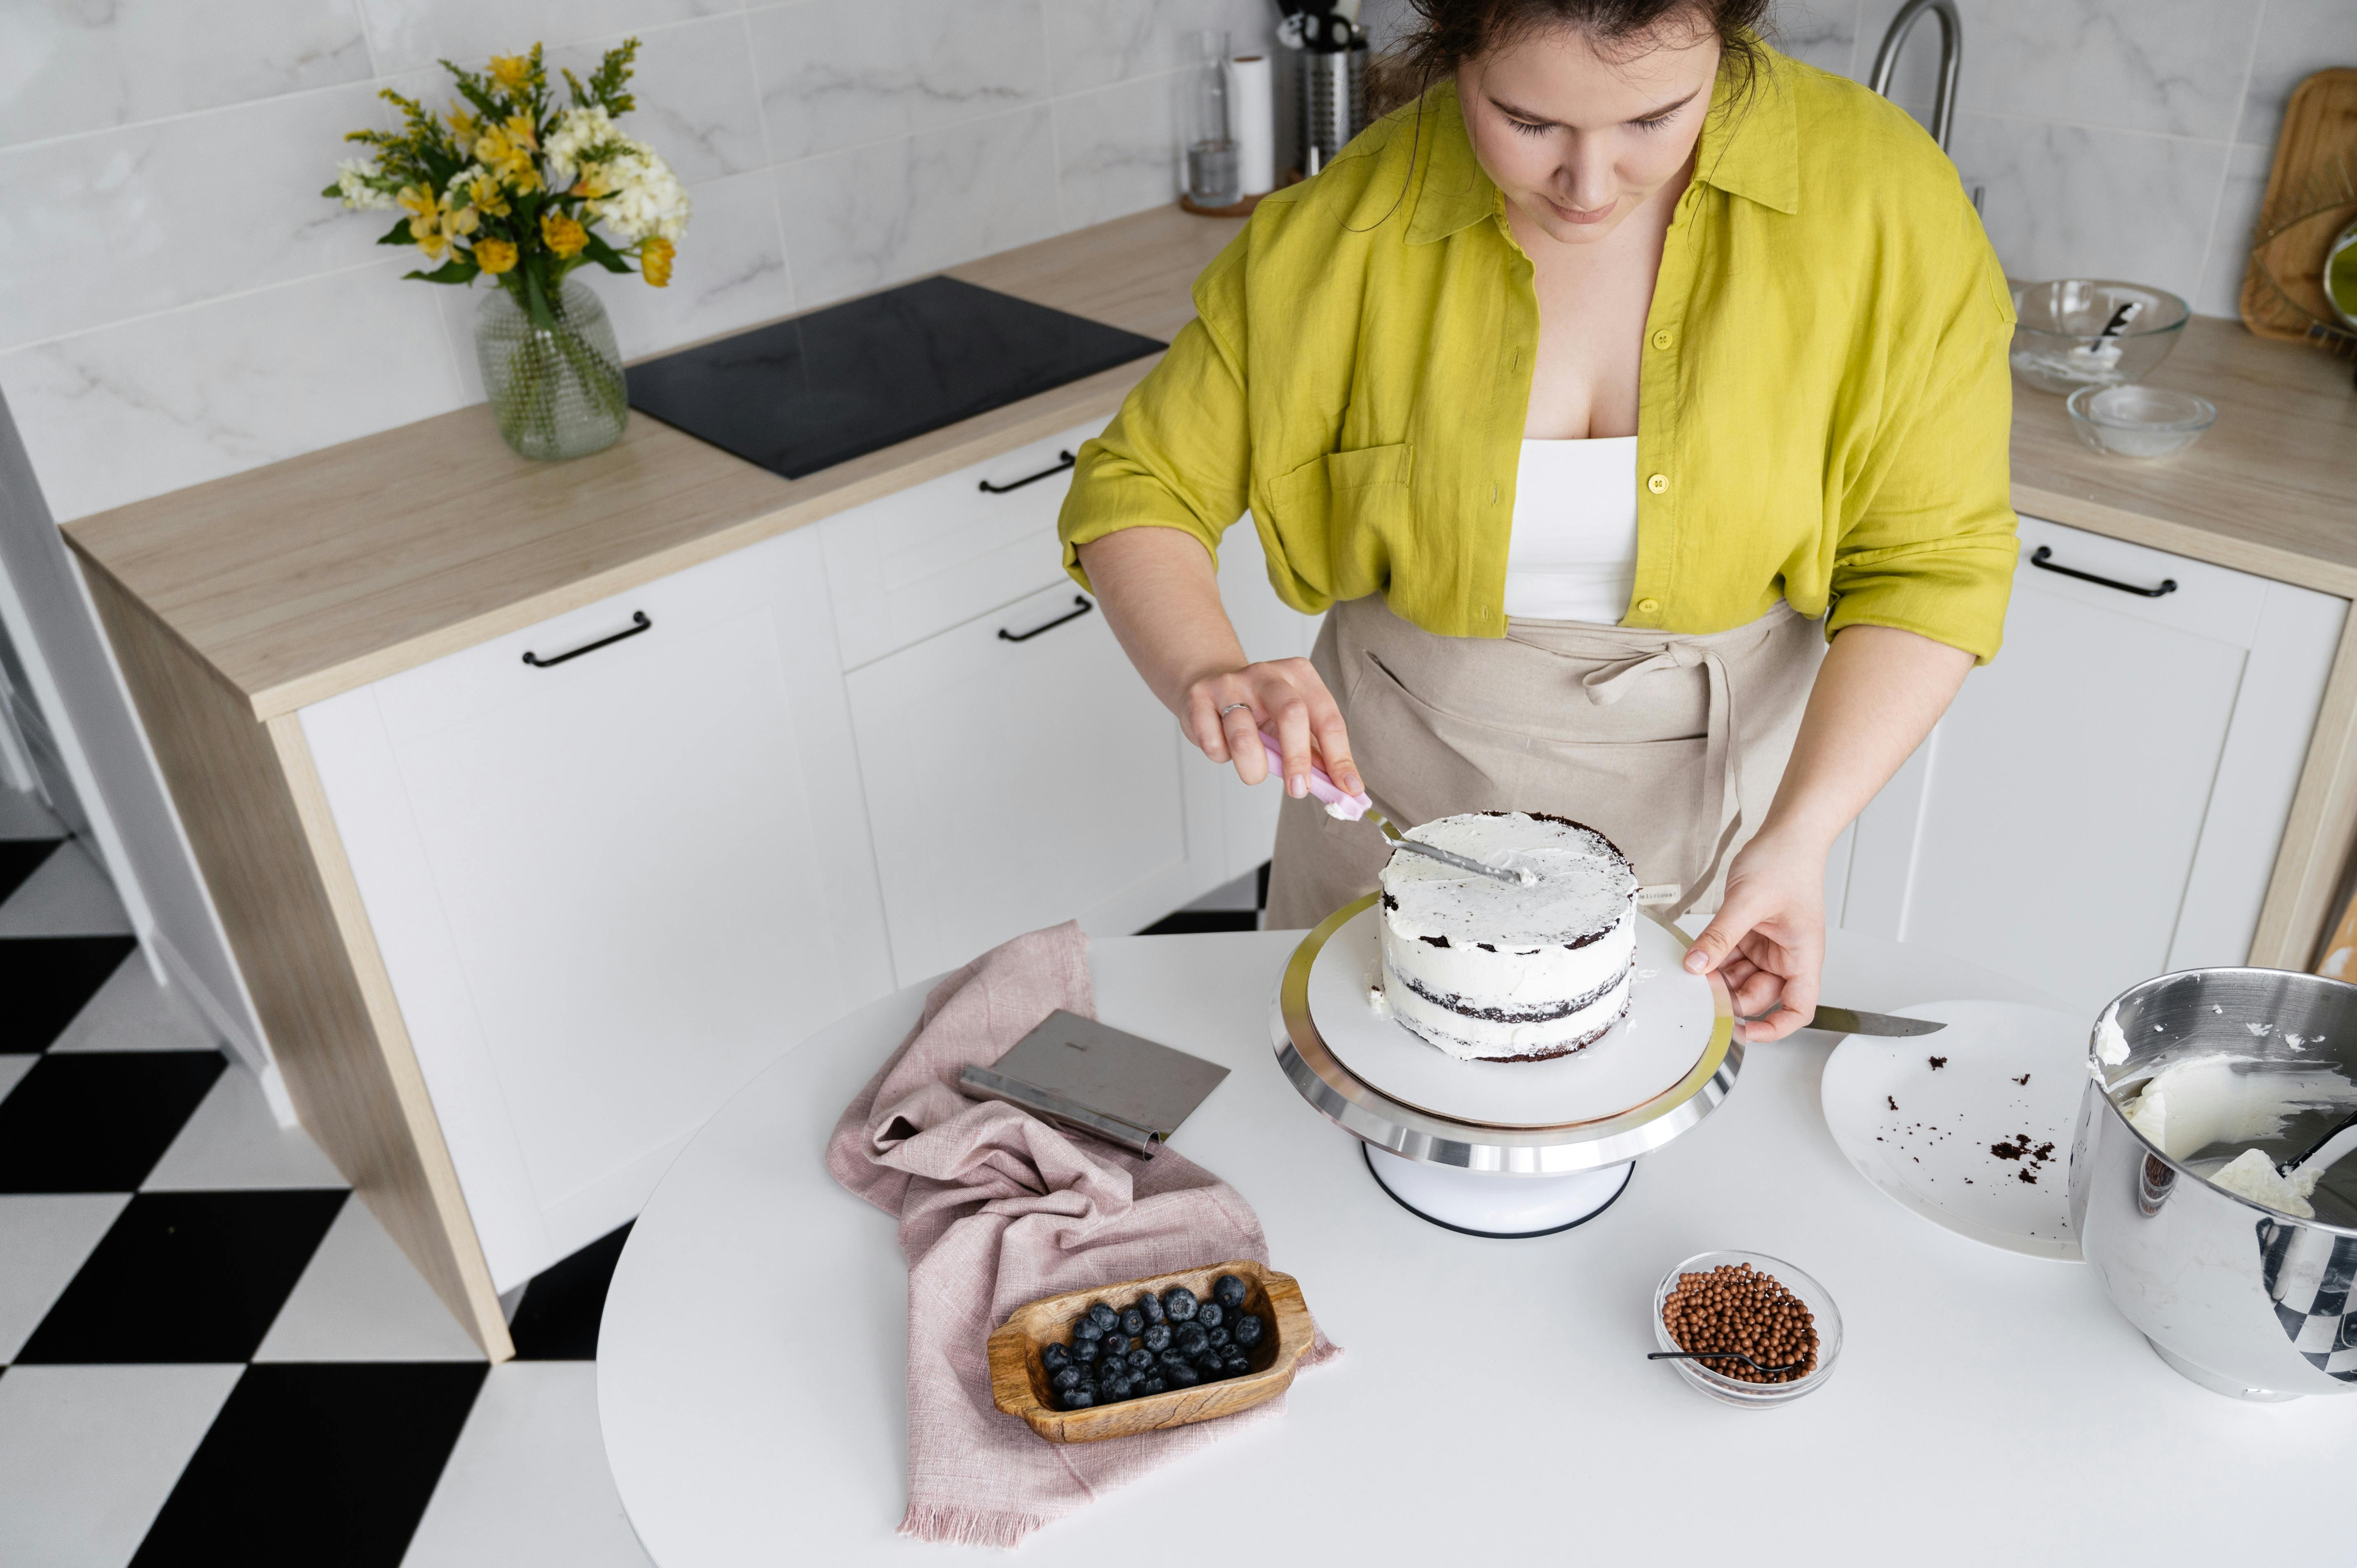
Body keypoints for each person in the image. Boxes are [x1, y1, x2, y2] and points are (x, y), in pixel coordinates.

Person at [1057, 0, 2016, 1042]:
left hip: (1727, 847)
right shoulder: (1350, 223)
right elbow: (1140, 486)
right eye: (1528, 123)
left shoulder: (1884, 203)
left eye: (1653, 118)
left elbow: (1933, 567)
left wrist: (1800, 837)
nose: (1589, 185)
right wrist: (1209, 669)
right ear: (1454, 50)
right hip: (1383, 817)